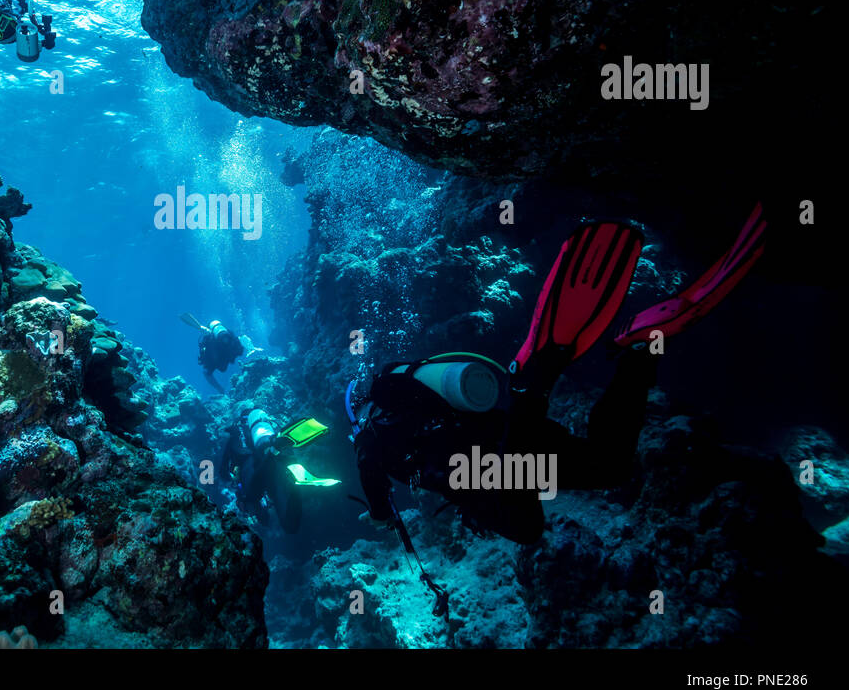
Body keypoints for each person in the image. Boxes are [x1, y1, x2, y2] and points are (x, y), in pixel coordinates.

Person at [352, 203, 767, 545]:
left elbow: (374, 486)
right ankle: (636, 353)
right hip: (504, 440)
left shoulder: (370, 435)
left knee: (529, 526)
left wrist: (379, 515)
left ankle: (537, 382)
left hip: (487, 468)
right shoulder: (405, 402)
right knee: (609, 467)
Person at [220, 407, 338, 534]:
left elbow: (223, 472)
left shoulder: (236, 435)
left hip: (256, 464)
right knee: (289, 525)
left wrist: (233, 478)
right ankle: (289, 478)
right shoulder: (268, 427)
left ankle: (274, 455)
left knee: (251, 497)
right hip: (275, 453)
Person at [181, 314, 245, 393]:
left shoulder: (209, 340)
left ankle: (221, 389)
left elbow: (206, 371)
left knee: (208, 371)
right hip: (227, 352)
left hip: (219, 356)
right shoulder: (230, 335)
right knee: (238, 352)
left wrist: (219, 388)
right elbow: (240, 349)